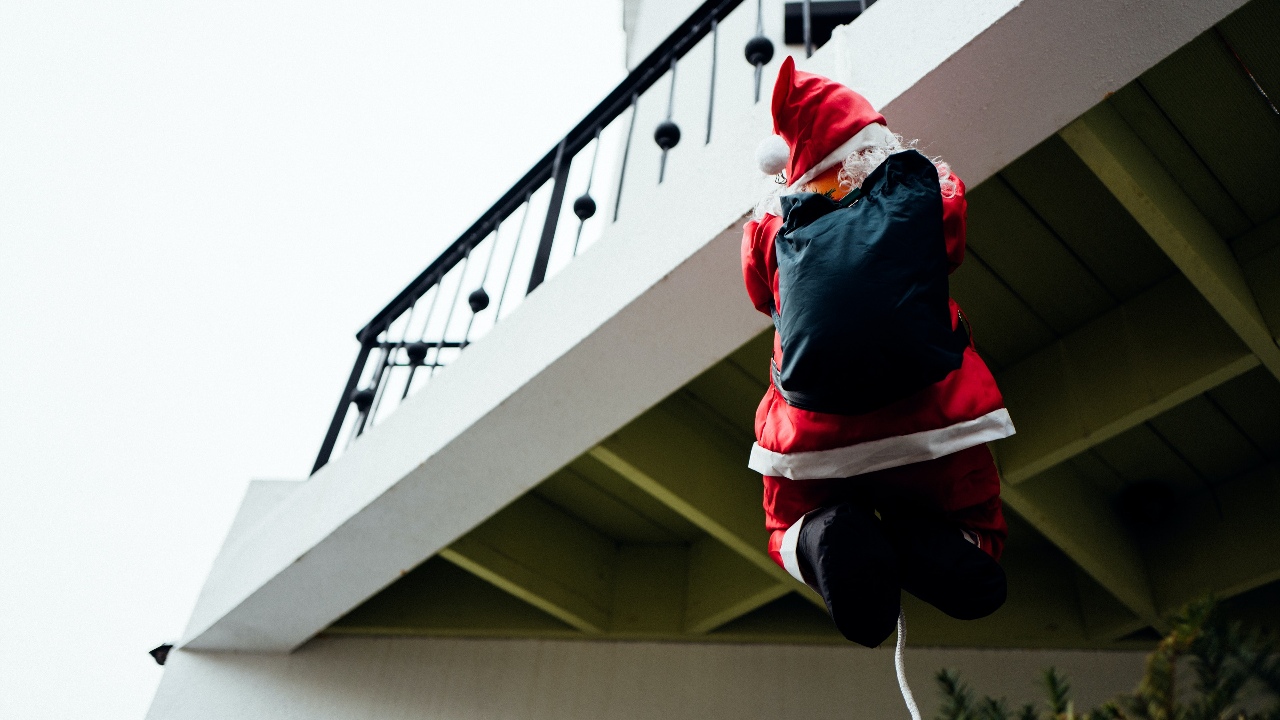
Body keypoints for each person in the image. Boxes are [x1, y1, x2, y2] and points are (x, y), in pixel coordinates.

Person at [741, 57, 1016, 647]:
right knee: (974, 509)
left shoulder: (771, 231)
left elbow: (762, 295)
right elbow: (951, 232)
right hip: (934, 419)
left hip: (811, 440)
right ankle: (944, 545)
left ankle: (828, 536)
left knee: (787, 526)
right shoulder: (924, 194)